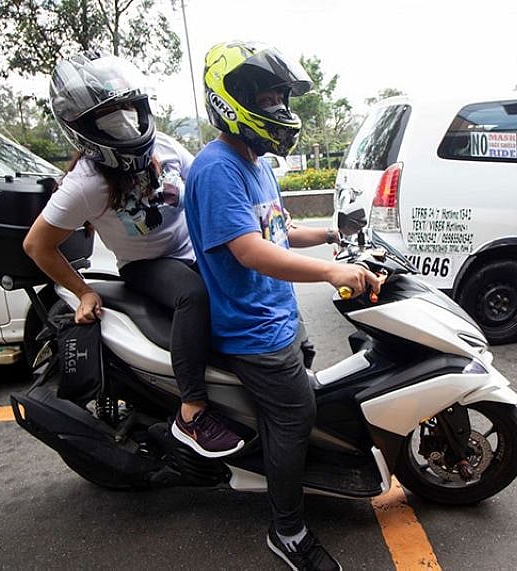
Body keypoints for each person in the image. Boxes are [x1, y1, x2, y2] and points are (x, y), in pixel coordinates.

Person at [184, 41, 382, 571]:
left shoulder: (256, 163)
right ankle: (288, 531)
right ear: (232, 101)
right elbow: (250, 251)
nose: (278, 109)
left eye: (279, 98)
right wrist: (331, 273)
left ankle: (284, 465)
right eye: (267, 99)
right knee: (296, 417)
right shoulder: (217, 168)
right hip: (251, 329)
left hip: (280, 317)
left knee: (299, 405)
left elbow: (278, 231)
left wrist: (334, 235)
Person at [22, 50, 243, 458]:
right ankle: (192, 413)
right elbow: (37, 245)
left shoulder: (166, 145)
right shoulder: (85, 184)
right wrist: (84, 291)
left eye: (129, 110)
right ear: (82, 128)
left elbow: (205, 185)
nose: (124, 123)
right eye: (108, 117)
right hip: (147, 266)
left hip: (195, 249)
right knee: (192, 296)